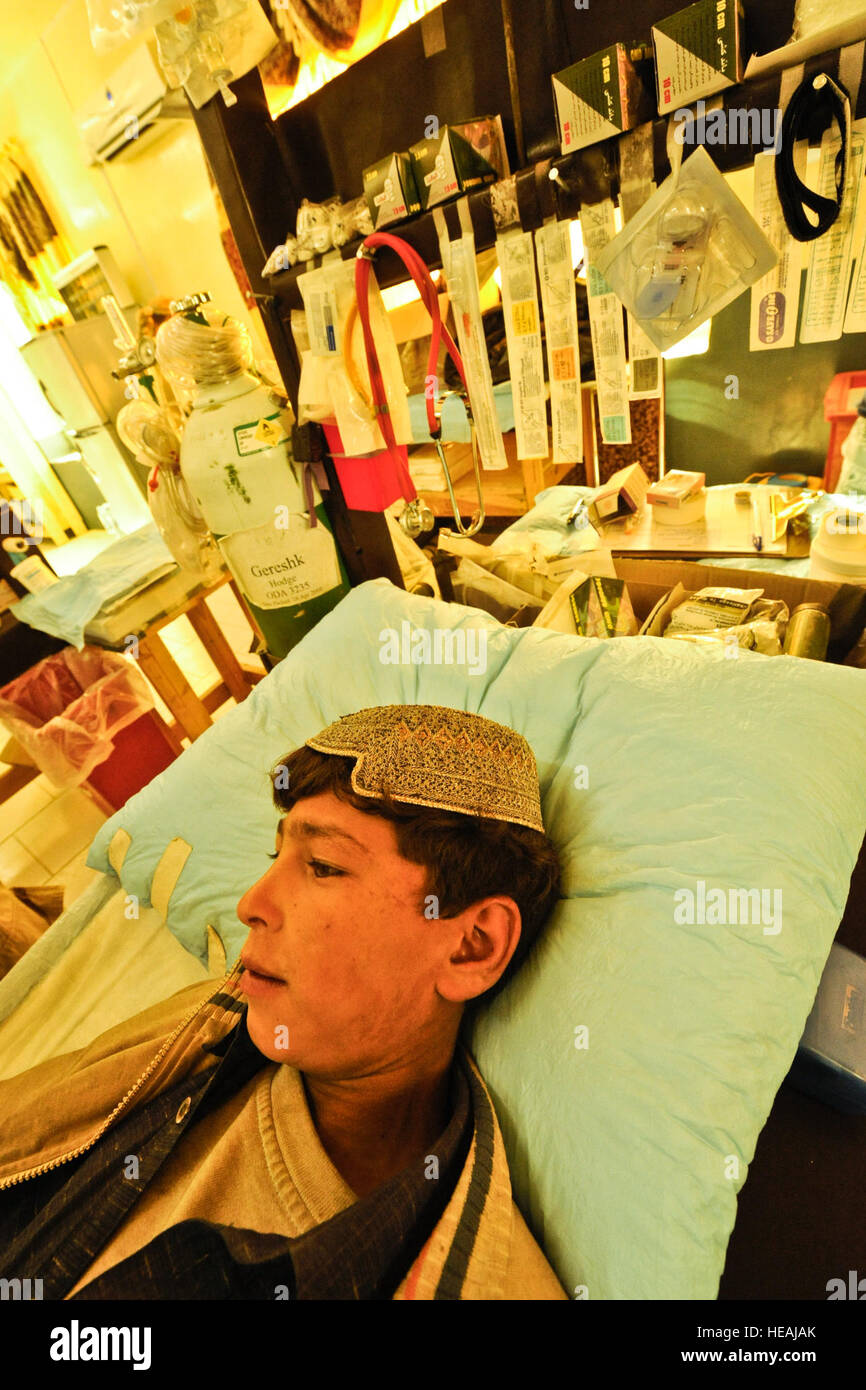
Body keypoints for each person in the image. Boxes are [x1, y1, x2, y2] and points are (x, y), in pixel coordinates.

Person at [0, 704, 567, 1300]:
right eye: (277, 858)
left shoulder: (464, 1275)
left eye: (323, 866)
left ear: (472, 947)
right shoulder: (219, 1022)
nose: (251, 902)